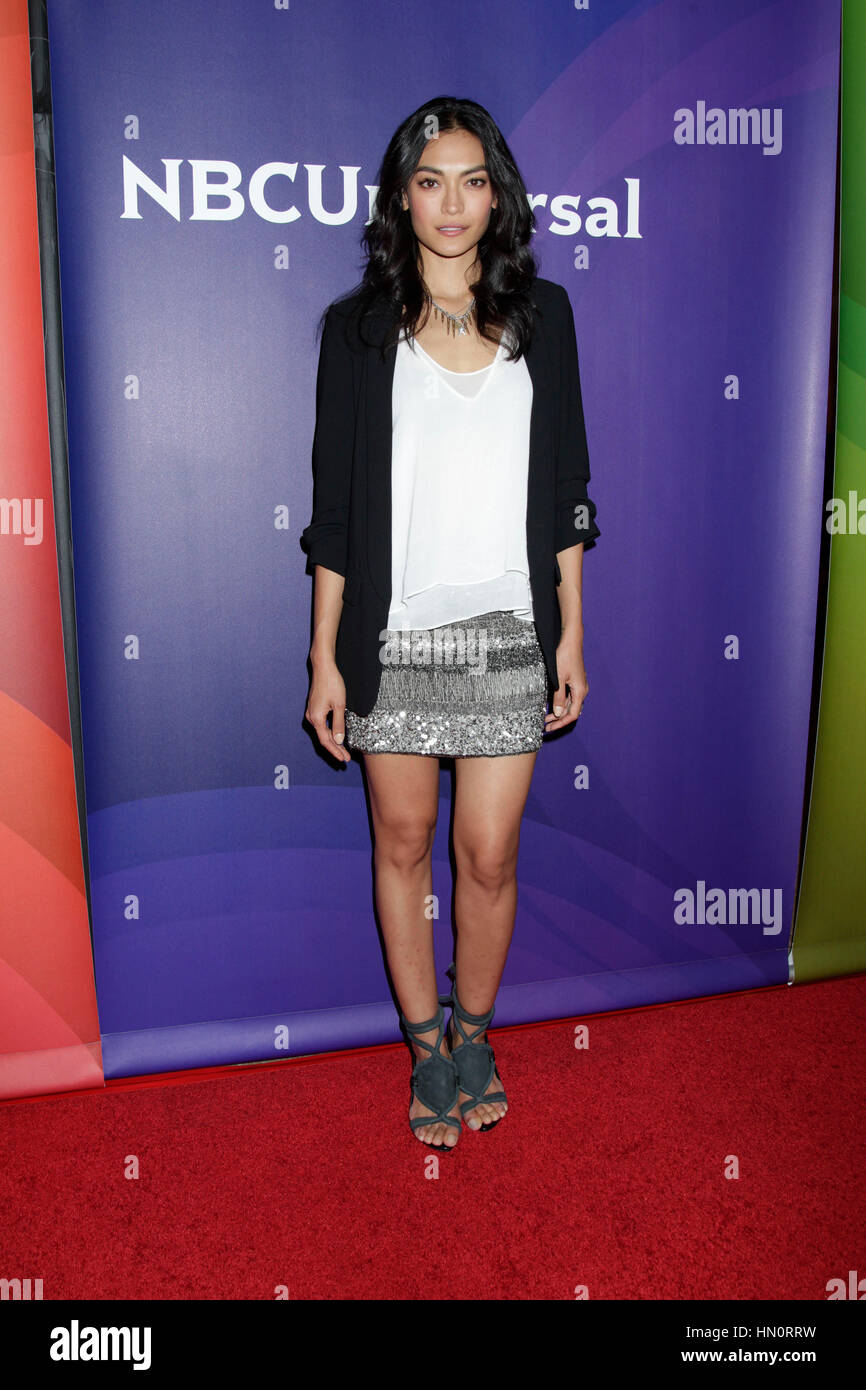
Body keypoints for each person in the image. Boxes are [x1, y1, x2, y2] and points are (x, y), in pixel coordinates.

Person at [301, 95, 600, 1152]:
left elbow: (565, 488)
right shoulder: (357, 332)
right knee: (402, 842)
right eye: (430, 181)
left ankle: (475, 1034)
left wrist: (570, 633)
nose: (452, 203)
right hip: (392, 641)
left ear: (497, 196)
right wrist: (324, 656)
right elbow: (333, 513)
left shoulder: (544, 316)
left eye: (473, 181)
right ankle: (426, 1047)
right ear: (401, 197)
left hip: (510, 630)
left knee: (487, 854)